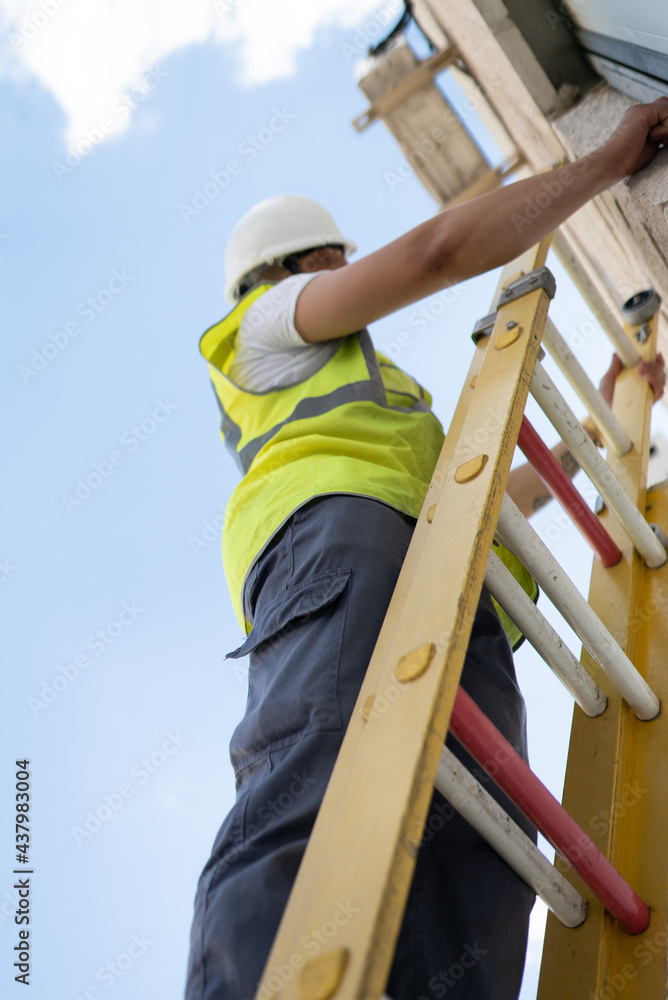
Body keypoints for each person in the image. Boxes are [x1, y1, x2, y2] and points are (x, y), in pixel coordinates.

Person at [185, 98, 668, 1000]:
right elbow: (434, 255)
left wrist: (592, 428)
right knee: (317, 789)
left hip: (441, 573)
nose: (351, 274)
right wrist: (603, 165)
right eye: (335, 261)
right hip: (339, 537)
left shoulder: (374, 389)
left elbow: (486, 490)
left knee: (480, 853)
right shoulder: (265, 326)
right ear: (291, 267)